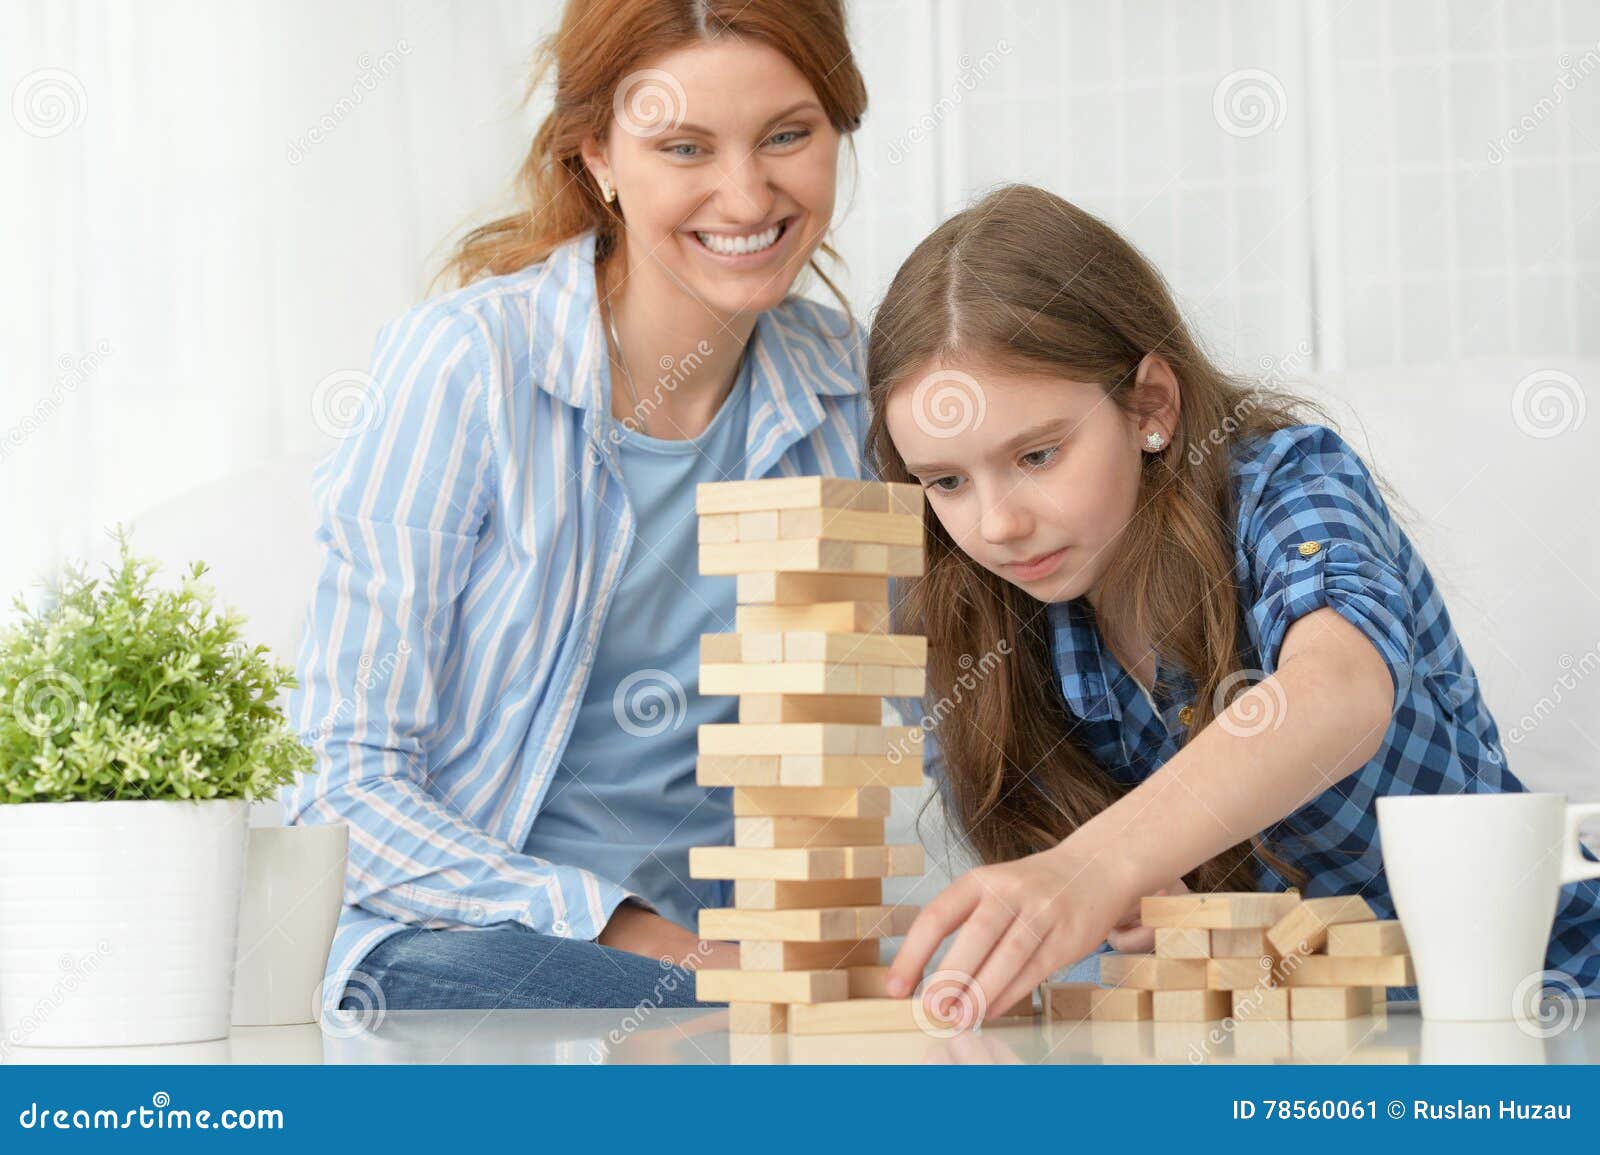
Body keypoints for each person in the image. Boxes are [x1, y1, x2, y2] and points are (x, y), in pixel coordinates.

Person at [865, 182, 1600, 1020]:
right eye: (948, 481)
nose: (997, 524)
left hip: (1535, 1002)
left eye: (1037, 455)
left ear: (1151, 406)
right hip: (1278, 1046)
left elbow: (1341, 691)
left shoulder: (1284, 485)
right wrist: (1133, 904)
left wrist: (1102, 861)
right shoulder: (979, 616)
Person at [284, 0, 871, 1012]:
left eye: (787, 135)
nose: (745, 195)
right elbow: (337, 790)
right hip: (474, 941)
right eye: (684, 146)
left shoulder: (854, 395)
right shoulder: (467, 368)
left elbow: (924, 717)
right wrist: (629, 931)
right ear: (597, 153)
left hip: (740, 960)